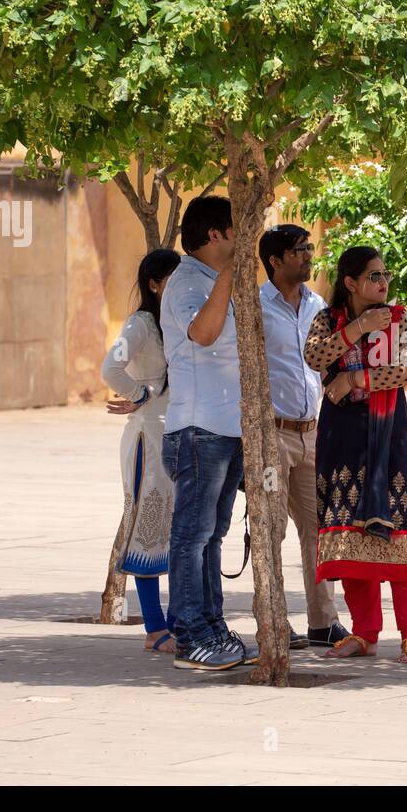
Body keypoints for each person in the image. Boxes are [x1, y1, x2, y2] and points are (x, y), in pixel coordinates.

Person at [304, 245, 407, 664]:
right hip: (341, 442)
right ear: (351, 282)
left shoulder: (398, 318)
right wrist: (357, 329)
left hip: (388, 437)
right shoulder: (328, 319)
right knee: (350, 538)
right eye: (374, 276)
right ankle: (365, 633)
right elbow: (314, 356)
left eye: (385, 275)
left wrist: (354, 377)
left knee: (398, 534)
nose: (383, 283)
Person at [159, 195, 256, 672]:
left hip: (227, 428)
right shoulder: (184, 283)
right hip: (198, 430)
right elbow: (203, 333)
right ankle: (188, 636)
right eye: (240, 231)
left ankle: (212, 624)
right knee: (191, 535)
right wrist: (230, 276)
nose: (246, 241)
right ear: (217, 235)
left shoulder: (218, 281)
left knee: (213, 535)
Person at [259, 223, 350, 649]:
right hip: (272, 434)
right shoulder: (255, 306)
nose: (309, 255)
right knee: (271, 528)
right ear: (276, 261)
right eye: (300, 250)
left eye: (309, 247)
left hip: (312, 432)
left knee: (319, 528)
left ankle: (323, 621)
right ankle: (274, 619)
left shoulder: (318, 306)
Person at [102, 249, 181, 654]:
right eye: (173, 277)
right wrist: (140, 393)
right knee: (148, 524)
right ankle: (154, 627)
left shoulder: (179, 323)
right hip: (147, 438)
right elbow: (109, 368)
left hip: (178, 434)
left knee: (179, 527)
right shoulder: (142, 325)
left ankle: (176, 620)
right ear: (154, 284)